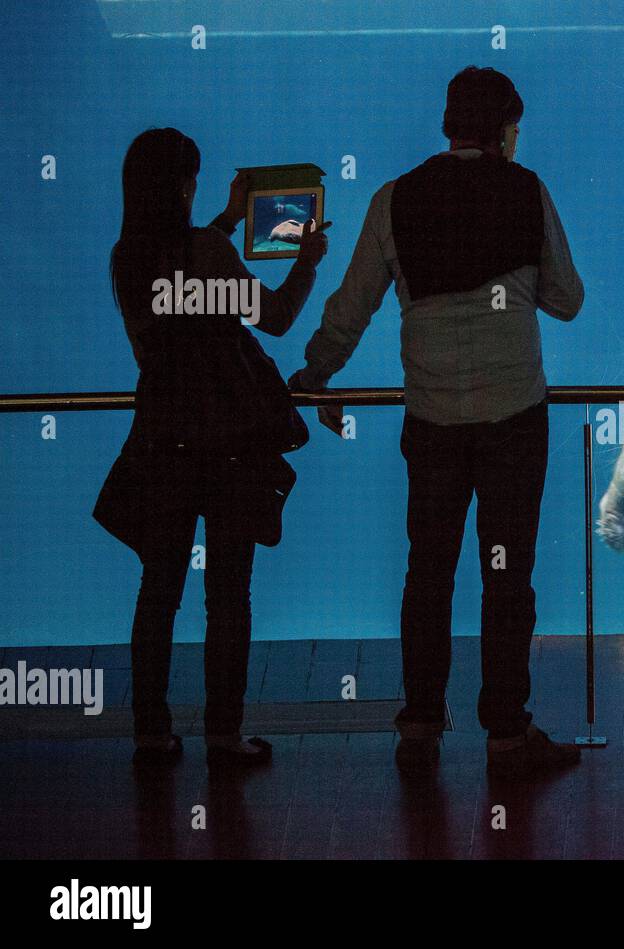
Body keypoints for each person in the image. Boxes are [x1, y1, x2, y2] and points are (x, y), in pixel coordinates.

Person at [287, 66, 585, 779]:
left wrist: (314, 372)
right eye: (515, 126)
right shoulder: (526, 190)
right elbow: (567, 300)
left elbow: (352, 305)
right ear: (503, 130)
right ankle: (507, 733)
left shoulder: (395, 200)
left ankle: (419, 722)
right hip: (514, 421)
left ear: (450, 124)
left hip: (432, 423)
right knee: (506, 577)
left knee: (429, 573)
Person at [97, 128, 329, 769]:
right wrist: (306, 261)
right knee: (228, 597)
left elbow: (184, 286)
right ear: (181, 186)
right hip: (229, 449)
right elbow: (275, 316)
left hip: (162, 444)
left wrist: (228, 219)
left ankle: (150, 734)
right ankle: (224, 736)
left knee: (158, 593)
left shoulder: (128, 259)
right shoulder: (205, 251)